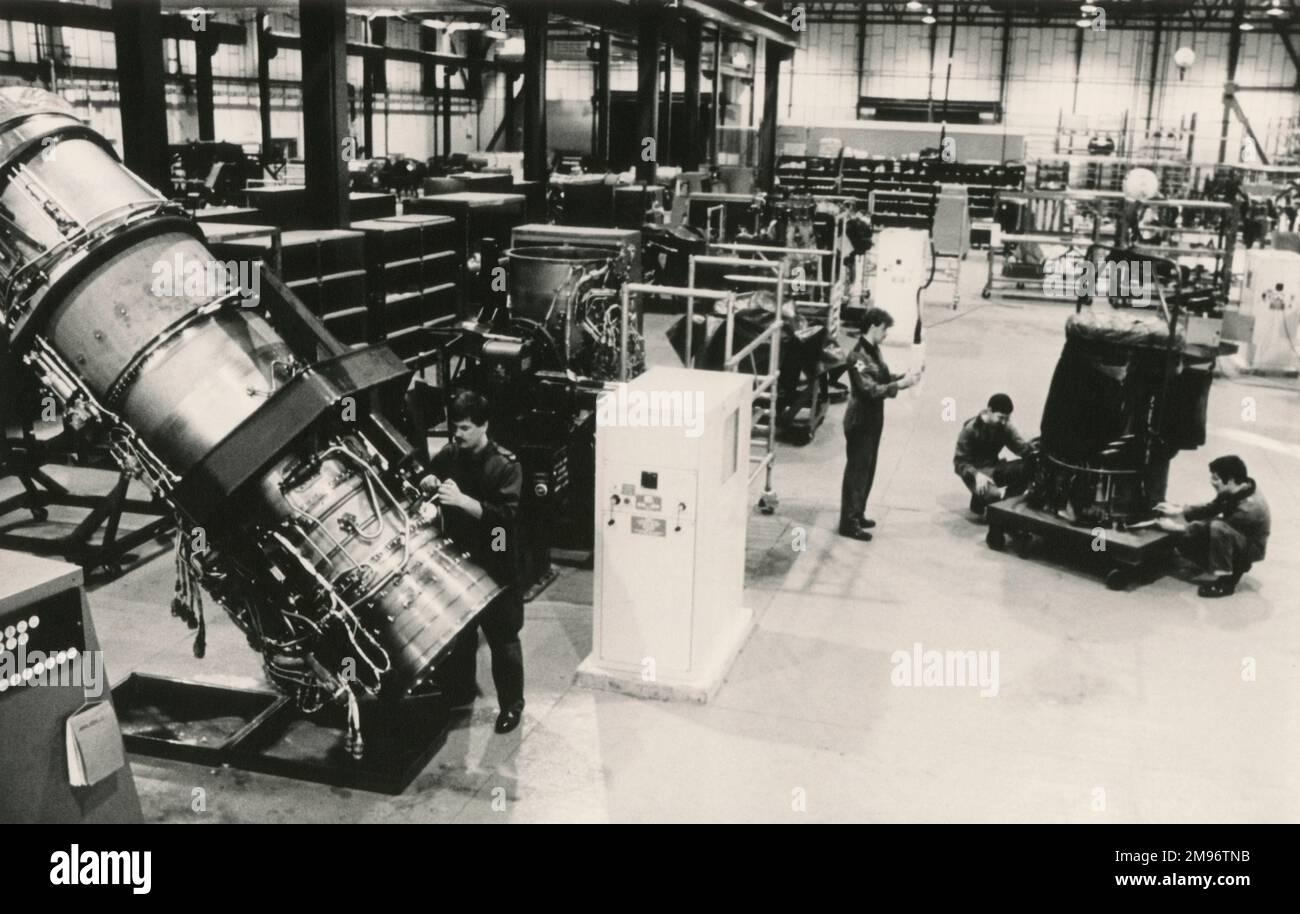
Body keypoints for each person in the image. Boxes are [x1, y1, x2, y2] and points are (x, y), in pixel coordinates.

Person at [428, 391, 526, 733]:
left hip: (496, 566)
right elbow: (432, 477)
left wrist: (464, 501)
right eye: (455, 427)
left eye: (466, 428)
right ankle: (459, 692)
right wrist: (428, 482)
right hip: (459, 561)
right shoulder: (449, 455)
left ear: (484, 425)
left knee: (502, 639)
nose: (458, 434)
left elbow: (505, 518)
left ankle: (511, 706)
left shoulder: (505, 465)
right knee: (460, 636)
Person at [839, 308, 922, 541]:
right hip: (860, 420)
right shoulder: (857, 357)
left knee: (868, 468)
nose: (886, 334)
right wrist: (901, 386)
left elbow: (881, 378)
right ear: (874, 326)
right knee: (857, 471)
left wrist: (902, 377)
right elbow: (868, 389)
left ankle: (858, 512)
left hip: (873, 419)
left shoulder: (873, 351)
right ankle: (849, 522)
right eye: (885, 329)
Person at [1155, 455, 1270, 599]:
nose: (1212, 482)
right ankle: (1230, 564)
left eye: (1216, 479)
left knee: (1215, 529)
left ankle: (1227, 581)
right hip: (1239, 537)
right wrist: (1180, 509)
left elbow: (1215, 526)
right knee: (1197, 532)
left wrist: (1178, 528)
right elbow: (1213, 507)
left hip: (1251, 547)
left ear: (1231, 480)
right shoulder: (1239, 488)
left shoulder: (1249, 509)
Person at [953, 393, 1033, 516]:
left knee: (1027, 468)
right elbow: (959, 462)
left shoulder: (1005, 426)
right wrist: (976, 475)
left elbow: (1021, 448)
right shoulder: (970, 430)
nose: (1004, 422)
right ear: (989, 411)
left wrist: (1037, 451)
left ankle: (1006, 510)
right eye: (1001, 417)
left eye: (1007, 418)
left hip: (994, 468)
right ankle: (984, 501)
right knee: (993, 495)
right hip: (975, 472)